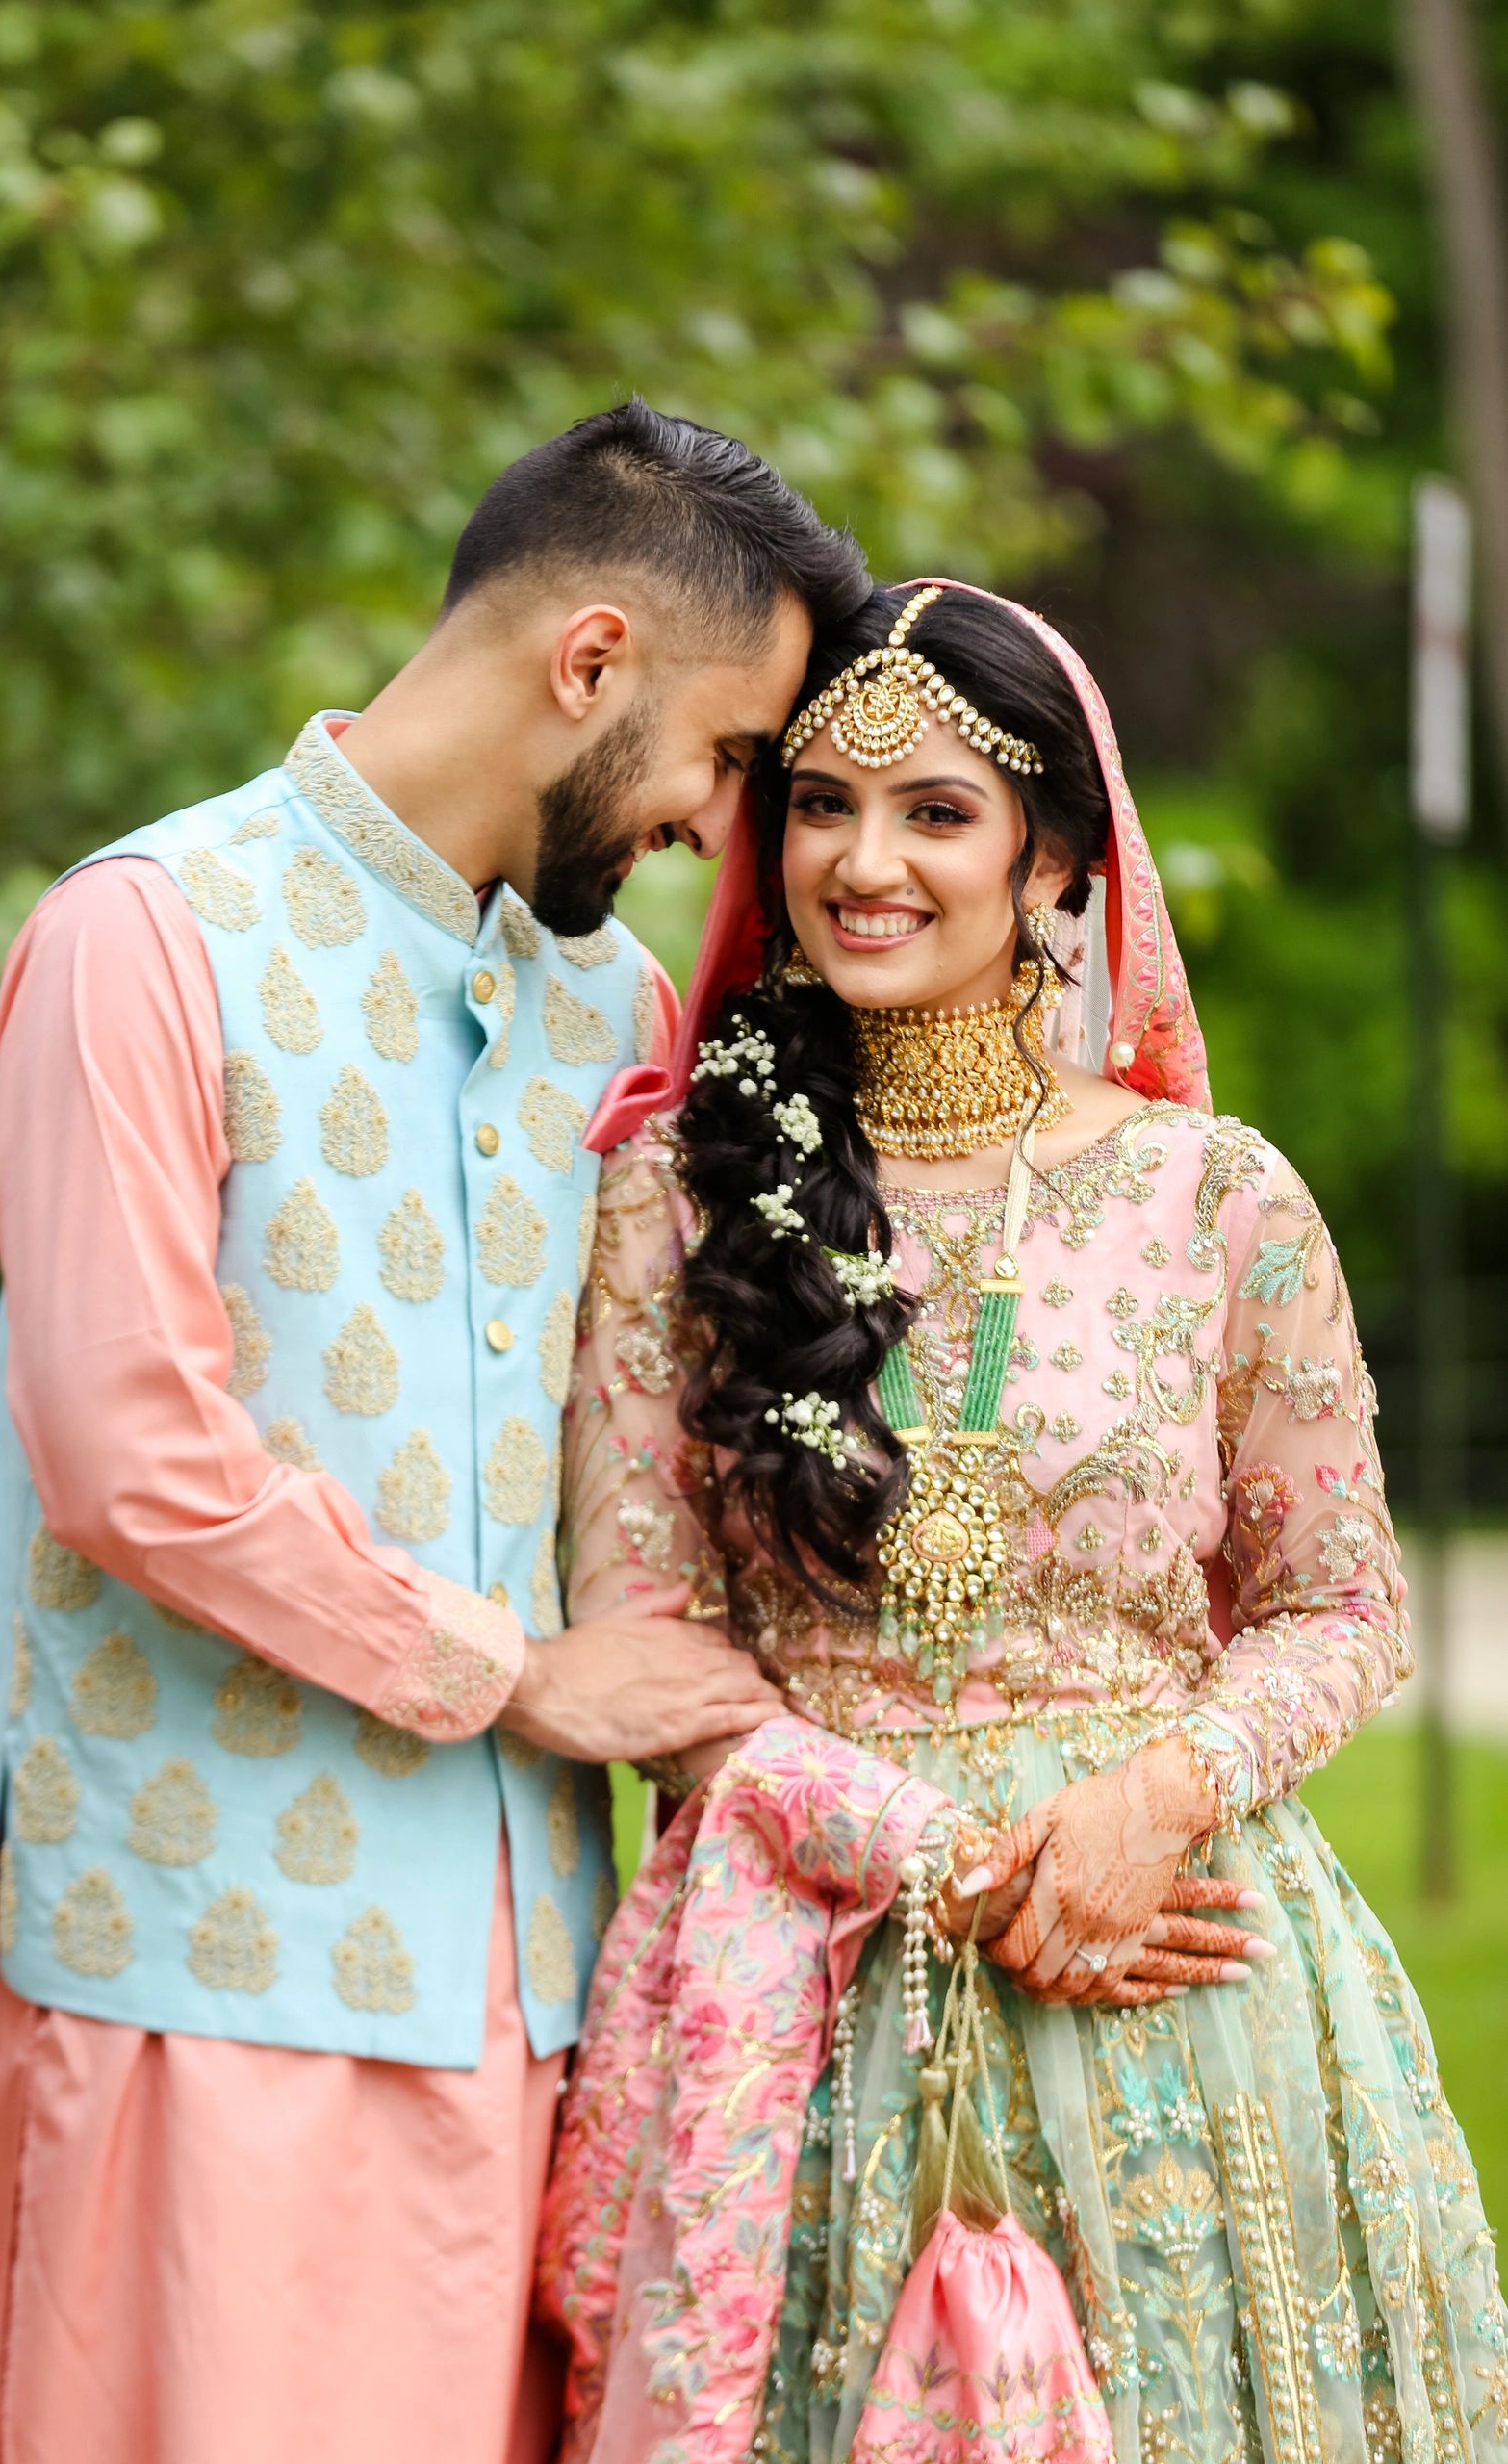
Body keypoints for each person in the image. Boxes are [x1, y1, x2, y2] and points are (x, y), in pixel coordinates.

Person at [0, 401, 870, 2464]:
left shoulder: (612, 1012)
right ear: (589, 661)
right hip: (188, 1951)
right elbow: (130, 1448)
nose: (720, 826)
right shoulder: (149, 936)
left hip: (531, 1984)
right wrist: (511, 1673)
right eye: (725, 756)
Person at [548, 580, 1507, 2464]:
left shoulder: (1214, 1195)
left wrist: (1155, 1795)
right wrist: (933, 1855)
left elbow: (1338, 1606)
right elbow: (646, 1637)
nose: (863, 863)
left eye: (934, 811)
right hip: (825, 1970)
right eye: (820, 805)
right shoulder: (679, 1189)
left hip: (1180, 1960)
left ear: (1055, 855)